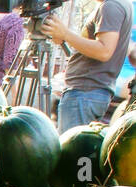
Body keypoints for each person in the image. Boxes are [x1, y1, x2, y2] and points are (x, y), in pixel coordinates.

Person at [43, 0, 133, 131]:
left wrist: (66, 34)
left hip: (84, 94)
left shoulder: (111, 6)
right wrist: (63, 38)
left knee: (71, 150)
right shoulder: (117, 4)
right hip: (88, 93)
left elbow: (104, 51)